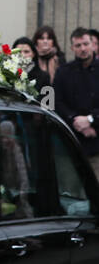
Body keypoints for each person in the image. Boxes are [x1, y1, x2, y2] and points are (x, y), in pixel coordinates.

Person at [55, 27, 99, 178]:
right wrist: (75, 120)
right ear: (72, 48)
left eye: (86, 44)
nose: (83, 49)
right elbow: (57, 102)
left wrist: (91, 120)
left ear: (93, 45)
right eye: (78, 45)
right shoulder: (63, 72)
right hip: (71, 142)